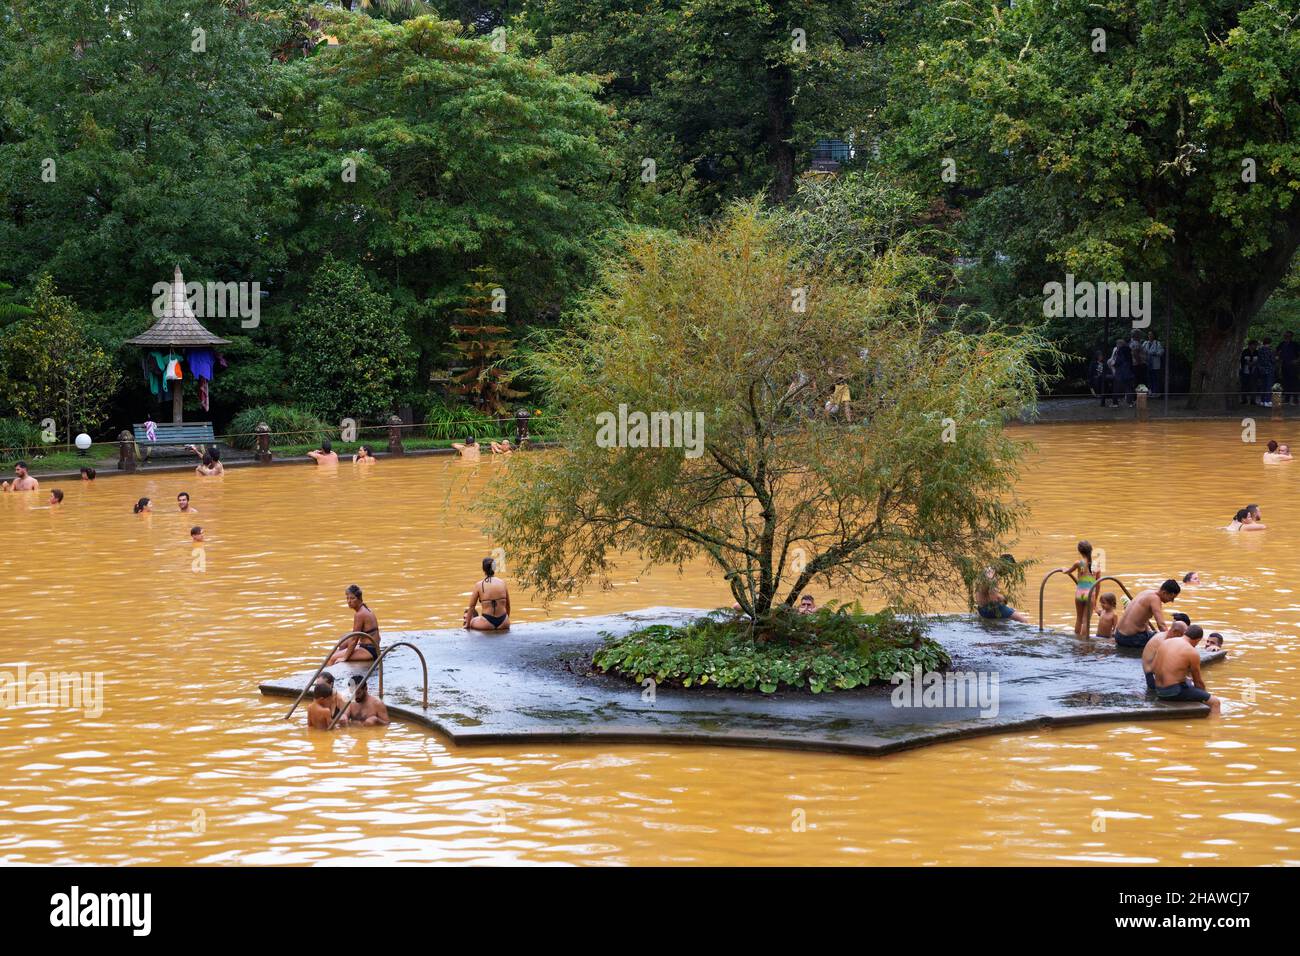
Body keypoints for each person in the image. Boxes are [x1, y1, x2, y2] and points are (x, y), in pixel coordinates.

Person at [1151, 625, 1221, 716]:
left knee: (1188, 680)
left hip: (1158, 689)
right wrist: (1205, 696)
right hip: (1172, 692)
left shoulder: (1166, 642)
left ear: (1185, 633)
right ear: (1197, 640)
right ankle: (1212, 727)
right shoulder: (1192, 652)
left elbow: (1153, 668)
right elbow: (1198, 683)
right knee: (1215, 702)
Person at [1112, 579, 1180, 648]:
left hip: (1118, 635)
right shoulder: (1155, 599)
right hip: (1129, 639)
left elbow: (1143, 618)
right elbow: (1161, 625)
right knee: (1161, 639)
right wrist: (1170, 642)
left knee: (1155, 634)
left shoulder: (1147, 592)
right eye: (1172, 598)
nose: (1172, 601)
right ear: (1164, 593)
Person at [327, 585, 380, 664]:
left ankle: (327, 675)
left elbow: (354, 640)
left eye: (352, 598)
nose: (349, 601)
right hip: (372, 647)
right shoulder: (365, 609)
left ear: (359, 599)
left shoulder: (360, 614)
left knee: (332, 659)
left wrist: (344, 658)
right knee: (343, 643)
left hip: (370, 650)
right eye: (347, 598)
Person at [1057, 540, 1098, 638]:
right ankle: (1083, 643)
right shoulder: (1096, 565)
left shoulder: (1078, 563)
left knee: (1079, 619)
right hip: (1090, 593)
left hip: (1080, 593)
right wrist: (1095, 598)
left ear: (1079, 551)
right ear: (1090, 551)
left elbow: (1067, 571)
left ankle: (1076, 640)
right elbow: (1098, 582)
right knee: (1086, 621)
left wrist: (1063, 569)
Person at [973, 555, 1030, 623]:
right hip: (989, 610)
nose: (1008, 572)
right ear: (1004, 565)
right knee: (1023, 620)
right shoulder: (992, 577)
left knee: (1009, 612)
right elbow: (994, 598)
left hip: (981, 609)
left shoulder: (986, 570)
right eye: (1009, 569)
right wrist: (1004, 598)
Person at [464, 556, 511, 630]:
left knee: (473, 621)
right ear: (494, 568)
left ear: (483, 569)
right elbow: (508, 605)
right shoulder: (502, 583)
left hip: (487, 623)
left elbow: (472, 607)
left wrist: (467, 625)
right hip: (504, 622)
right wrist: (506, 619)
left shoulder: (479, 585)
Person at [1141, 621, 1189, 691]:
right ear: (1175, 631)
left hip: (1153, 673)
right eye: (1181, 635)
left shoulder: (1164, 636)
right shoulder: (1162, 642)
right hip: (1152, 677)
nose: (1182, 638)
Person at [1279, 330, 1300, 406]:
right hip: (1284, 365)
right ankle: (1287, 398)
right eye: (1285, 335)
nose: (1286, 337)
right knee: (1285, 382)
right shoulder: (1282, 344)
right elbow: (1277, 353)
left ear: (1291, 336)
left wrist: (1296, 361)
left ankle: (1295, 399)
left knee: (1294, 382)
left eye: (1288, 336)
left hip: (1293, 366)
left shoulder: (1295, 344)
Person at [1144, 331, 1164, 396]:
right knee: (1148, 378)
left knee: (1155, 378)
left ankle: (1155, 392)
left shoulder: (1158, 343)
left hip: (1155, 364)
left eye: (1151, 334)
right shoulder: (1145, 343)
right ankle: (1149, 391)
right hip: (1147, 364)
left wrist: (1155, 353)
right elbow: (1141, 351)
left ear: (1154, 335)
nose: (1150, 336)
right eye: (1149, 334)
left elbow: (1161, 352)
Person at [1258, 337, 1276, 406]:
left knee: (1263, 385)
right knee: (1269, 385)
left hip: (1262, 369)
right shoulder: (1270, 350)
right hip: (1269, 369)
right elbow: (1273, 360)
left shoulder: (1260, 350)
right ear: (1270, 343)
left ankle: (1262, 401)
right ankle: (1267, 401)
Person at [1240, 340, 1259, 404]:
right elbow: (1242, 360)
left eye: (1256, 345)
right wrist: (1247, 363)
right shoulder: (1245, 351)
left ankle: (1253, 400)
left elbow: (1259, 360)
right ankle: (1244, 399)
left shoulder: (1257, 352)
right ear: (1250, 345)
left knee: (1253, 386)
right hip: (1245, 371)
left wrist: (1254, 363)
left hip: (1254, 372)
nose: (1256, 346)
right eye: (1255, 345)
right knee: (1244, 385)